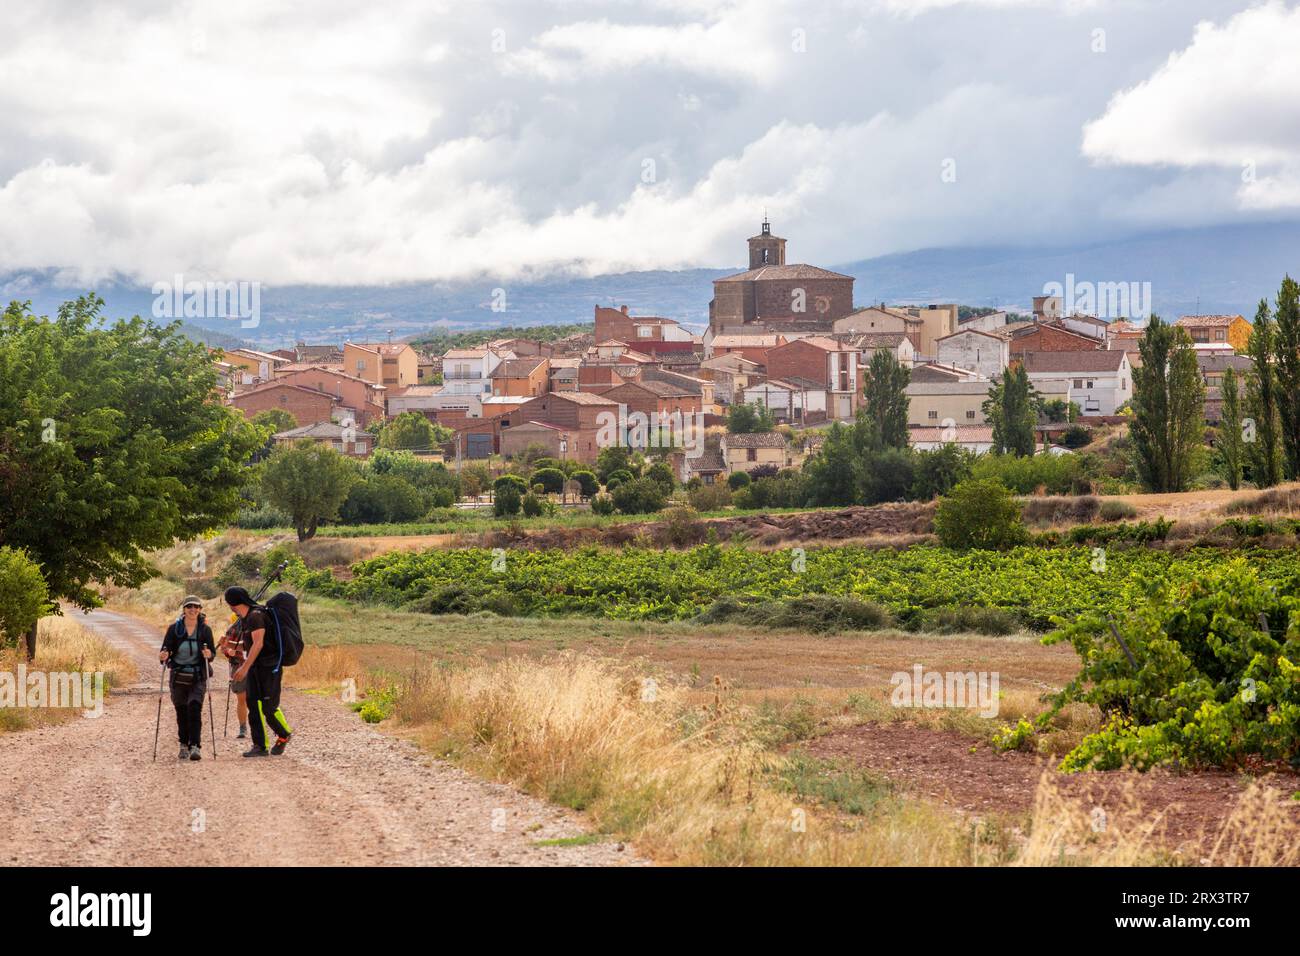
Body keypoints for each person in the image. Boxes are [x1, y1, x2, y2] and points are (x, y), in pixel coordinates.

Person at [224, 586, 293, 758]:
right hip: (256, 667)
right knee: (253, 705)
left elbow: (258, 643)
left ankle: (284, 734)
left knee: (269, 707)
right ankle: (260, 746)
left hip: (269, 667)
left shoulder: (256, 616)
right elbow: (249, 644)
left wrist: (244, 667)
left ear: (232, 603)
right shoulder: (246, 618)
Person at [159, 596, 215, 761]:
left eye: (196, 607)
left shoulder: (205, 630)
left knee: (194, 708)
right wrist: (164, 654)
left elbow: (212, 653)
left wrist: (209, 654)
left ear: (200, 610)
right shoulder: (174, 629)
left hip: (197, 675)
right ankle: (183, 744)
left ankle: (195, 746)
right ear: (184, 609)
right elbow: (166, 649)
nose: (193, 609)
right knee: (181, 711)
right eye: (189, 606)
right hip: (178, 675)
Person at [220, 613, 250, 738]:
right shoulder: (232, 629)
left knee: (251, 699)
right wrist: (228, 652)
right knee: (242, 699)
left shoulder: (254, 626)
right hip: (238, 666)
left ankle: (252, 726)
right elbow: (224, 647)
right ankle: (243, 727)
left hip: (251, 665)